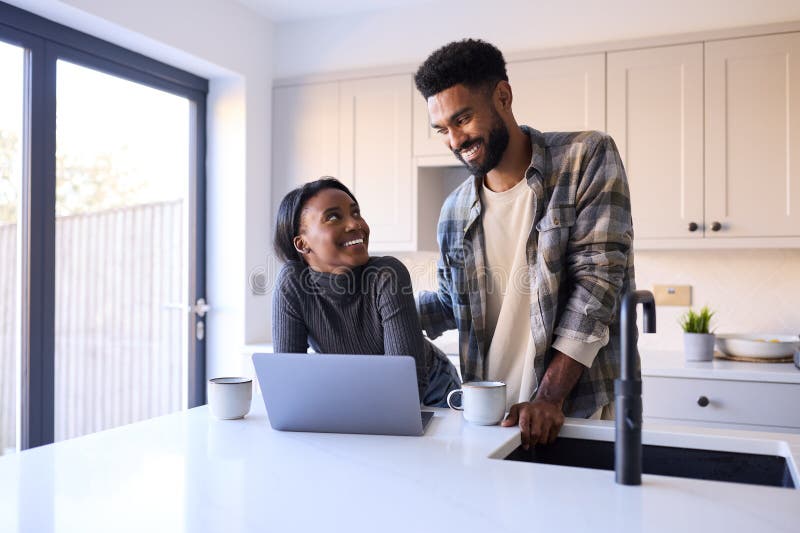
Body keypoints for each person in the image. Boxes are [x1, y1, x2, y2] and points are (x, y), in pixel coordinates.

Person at [413, 39, 636, 447]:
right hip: (490, 422)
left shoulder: (585, 158)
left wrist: (548, 398)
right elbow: (449, 304)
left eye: (462, 119)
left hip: (573, 412)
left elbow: (597, 286)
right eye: (442, 129)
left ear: (503, 96)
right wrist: (368, 308)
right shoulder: (454, 210)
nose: (454, 140)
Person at [272, 177, 461, 407]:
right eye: (333, 217)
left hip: (434, 389)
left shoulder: (386, 274)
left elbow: (405, 385)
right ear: (302, 244)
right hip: (355, 390)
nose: (355, 224)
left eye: (355, 213)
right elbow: (288, 380)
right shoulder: (293, 283)